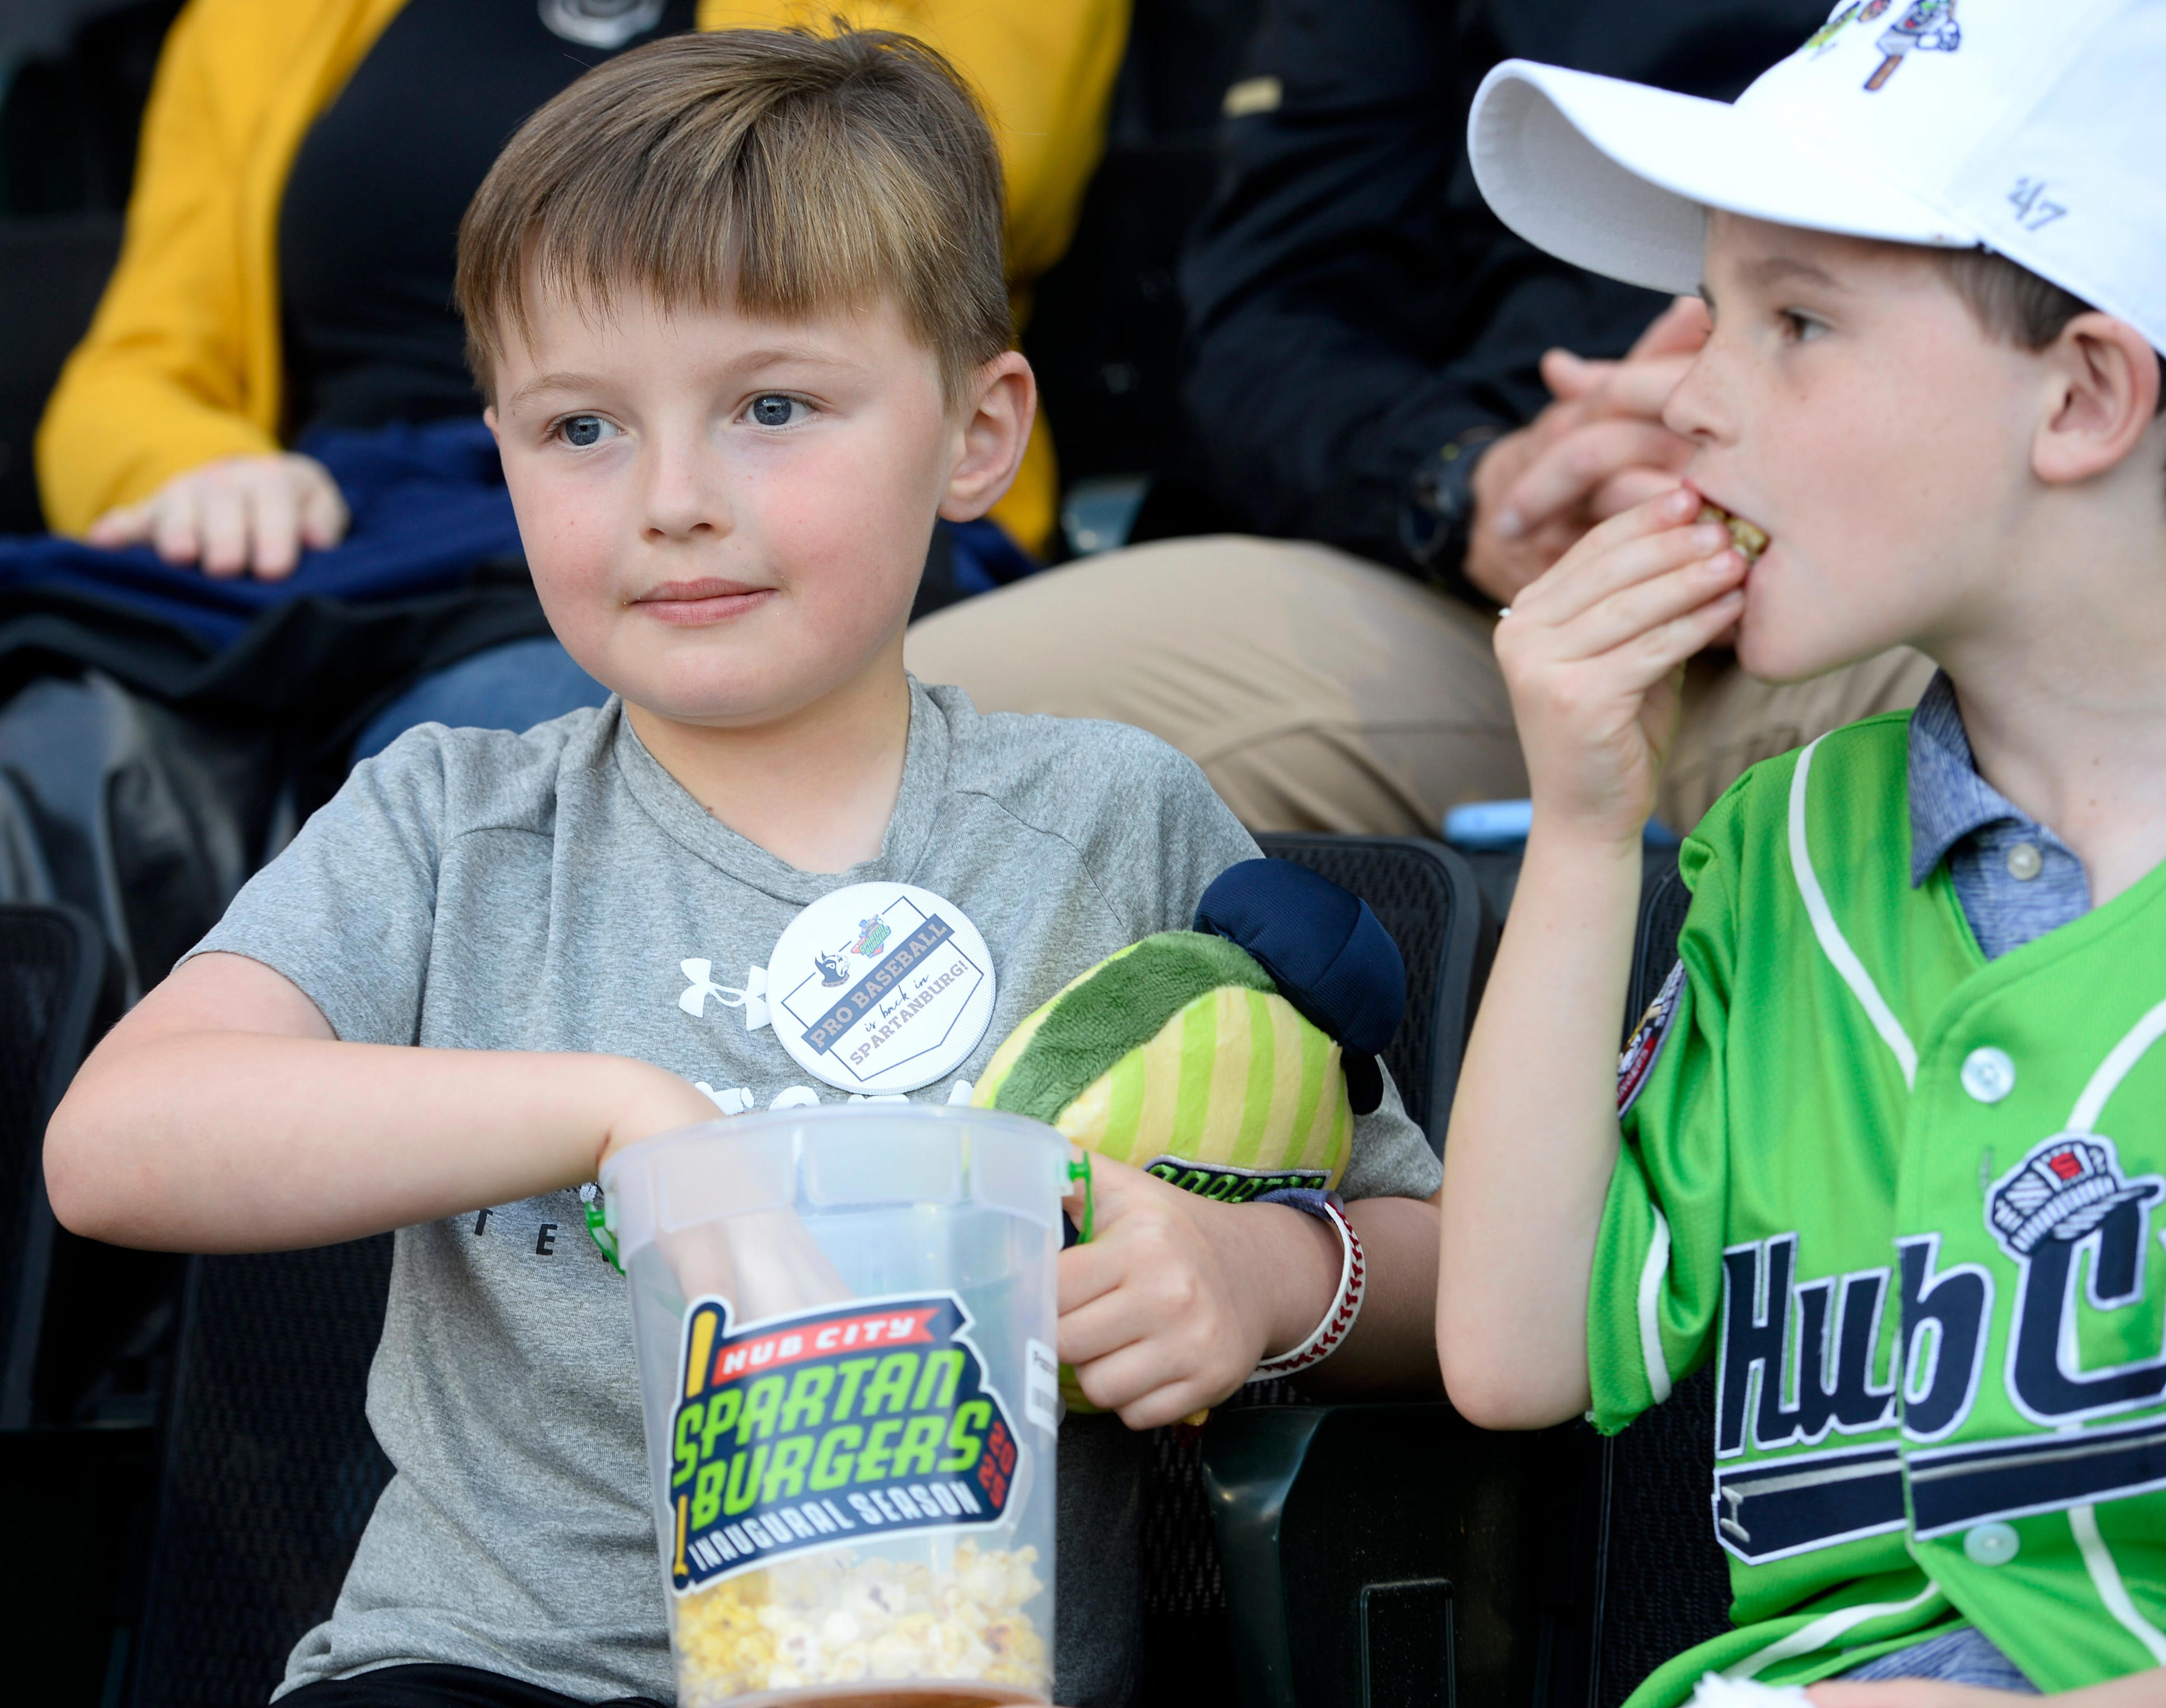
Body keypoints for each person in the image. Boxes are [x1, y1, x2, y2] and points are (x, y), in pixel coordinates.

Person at [45, 30, 1445, 1708]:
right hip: (487, 1671)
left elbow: (1441, 1274)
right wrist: (607, 1111)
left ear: (977, 433)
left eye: (772, 407)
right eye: (581, 429)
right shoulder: (449, 823)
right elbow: (118, 1146)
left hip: (933, 1672)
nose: (675, 501)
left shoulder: (1106, 812)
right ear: (496, 449)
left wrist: (1263, 1278)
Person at [1438, 1, 2166, 1701]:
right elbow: (1517, 1349)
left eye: (1797, 321)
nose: (1684, 394)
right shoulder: (1784, 850)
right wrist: (1583, 826)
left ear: (2080, 396)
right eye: (1711, 309)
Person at [905, 0, 1936, 837]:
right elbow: (1267, 319)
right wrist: (1469, 485)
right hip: (1480, 586)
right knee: (895, 728)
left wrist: (1788, 447)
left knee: (2033, 678)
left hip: (1911, 573)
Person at [31, 0, 1122, 755]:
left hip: (753, 509)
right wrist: (206, 473)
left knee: (528, 757)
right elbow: (134, 361)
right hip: (360, 531)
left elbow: (980, 166)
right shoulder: (258, 23)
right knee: (43, 742)